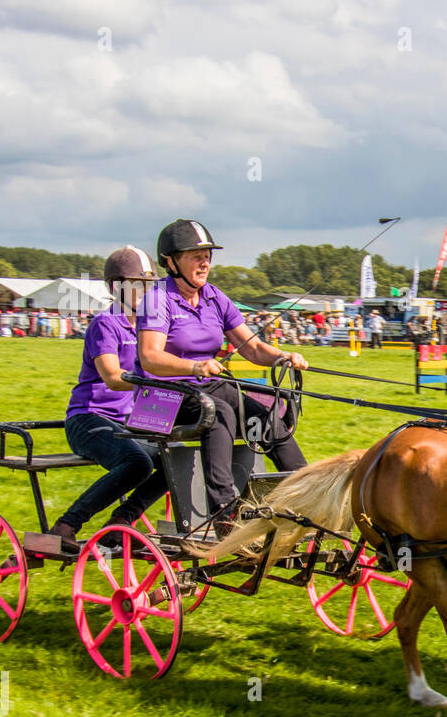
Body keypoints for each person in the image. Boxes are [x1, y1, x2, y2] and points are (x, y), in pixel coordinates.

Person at [138, 219, 308, 534]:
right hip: (164, 396)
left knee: (267, 416)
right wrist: (193, 366)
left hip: (209, 388)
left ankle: (307, 492)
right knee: (218, 412)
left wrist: (282, 356)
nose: (205, 262)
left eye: (208, 256)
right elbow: (149, 357)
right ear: (171, 261)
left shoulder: (215, 297)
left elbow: (253, 347)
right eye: (195, 255)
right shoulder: (157, 299)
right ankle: (224, 512)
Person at [47, 246, 169, 553]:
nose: (145, 291)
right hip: (88, 419)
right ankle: (67, 525)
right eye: (137, 284)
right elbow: (112, 378)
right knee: (137, 463)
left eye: (149, 284)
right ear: (116, 287)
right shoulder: (106, 324)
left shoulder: (150, 327)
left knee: (176, 459)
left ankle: (122, 521)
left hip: (125, 422)